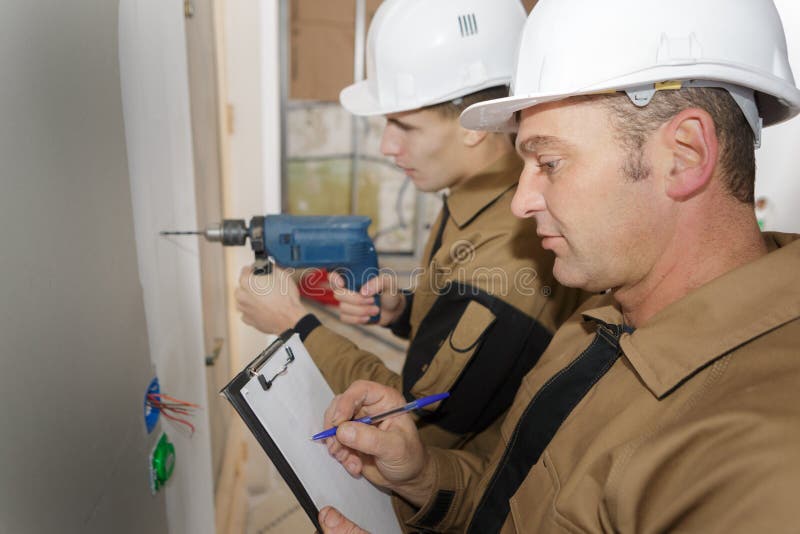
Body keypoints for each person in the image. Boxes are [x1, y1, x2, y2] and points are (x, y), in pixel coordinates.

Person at [313, 0, 800, 532]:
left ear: (683, 155)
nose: (521, 202)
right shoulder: (593, 323)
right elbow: (512, 504)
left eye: (550, 163)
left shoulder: (762, 462)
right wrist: (425, 478)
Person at [235, 0, 583, 458]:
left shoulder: (510, 247)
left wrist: (293, 325)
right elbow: (463, 332)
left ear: (475, 126)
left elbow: (415, 421)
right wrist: (404, 310)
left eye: (403, 125)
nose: (386, 145)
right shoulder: (471, 197)